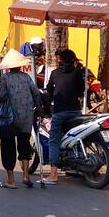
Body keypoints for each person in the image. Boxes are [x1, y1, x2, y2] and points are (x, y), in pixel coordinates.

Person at [0, 49, 38, 188]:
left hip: (10, 118)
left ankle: (11, 180)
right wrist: (39, 108)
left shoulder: (6, 78)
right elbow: (35, 92)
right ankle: (26, 175)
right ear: (20, 65)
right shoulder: (26, 77)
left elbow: (2, 96)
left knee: (8, 146)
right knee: (24, 144)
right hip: (26, 116)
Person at [42, 48, 86, 185]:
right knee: (79, 138)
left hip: (60, 112)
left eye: (58, 58)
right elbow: (81, 91)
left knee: (53, 140)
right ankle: (82, 168)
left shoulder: (55, 73)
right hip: (75, 112)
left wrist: (46, 108)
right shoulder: (77, 72)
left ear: (60, 60)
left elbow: (48, 92)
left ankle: (54, 174)